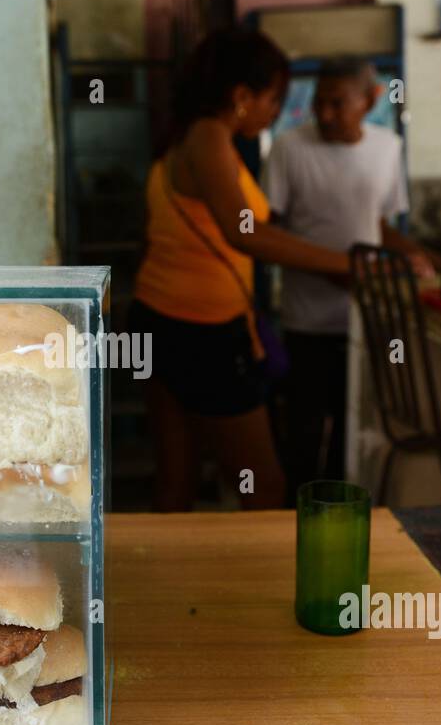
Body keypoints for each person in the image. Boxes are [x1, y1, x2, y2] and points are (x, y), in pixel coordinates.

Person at [129, 28, 350, 513]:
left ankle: (170, 588)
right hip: (203, 334)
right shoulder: (210, 138)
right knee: (264, 490)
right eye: (273, 99)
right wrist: (345, 264)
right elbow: (243, 232)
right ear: (241, 96)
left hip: (159, 318)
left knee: (175, 487)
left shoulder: (185, 138)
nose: (275, 112)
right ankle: (263, 588)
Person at [262, 57, 433, 496]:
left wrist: (415, 255)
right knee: (302, 435)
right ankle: (291, 524)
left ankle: (337, 517)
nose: (325, 113)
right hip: (307, 322)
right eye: (320, 102)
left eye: (338, 103)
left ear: (371, 99)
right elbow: (267, 234)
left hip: (368, 319)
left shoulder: (387, 147)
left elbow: (377, 224)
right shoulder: (288, 148)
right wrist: (336, 270)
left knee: (353, 432)